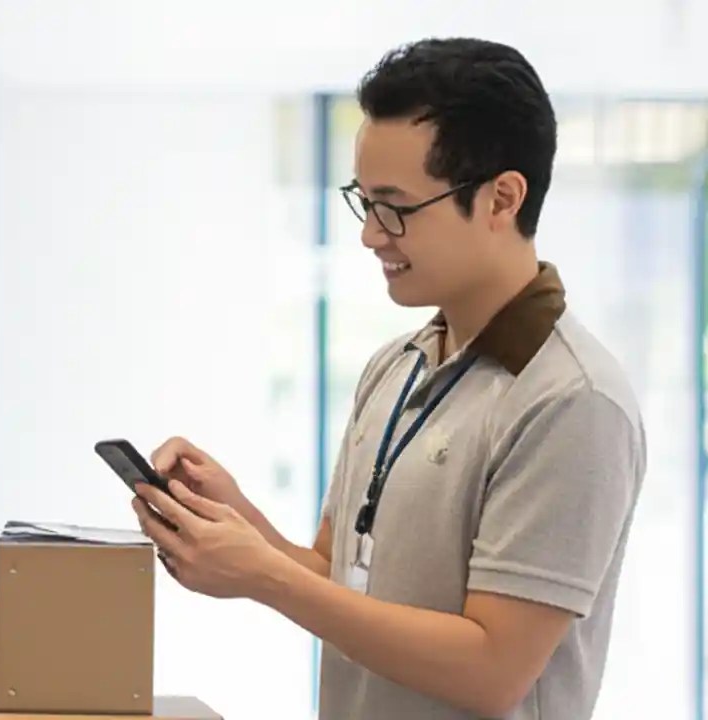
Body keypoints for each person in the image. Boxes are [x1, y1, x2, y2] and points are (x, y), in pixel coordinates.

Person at [130, 37, 646, 720]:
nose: (372, 235)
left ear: (501, 199)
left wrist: (263, 575)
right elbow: (337, 580)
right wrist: (240, 527)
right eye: (363, 201)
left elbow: (492, 670)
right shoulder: (395, 367)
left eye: (395, 206)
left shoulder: (573, 400)